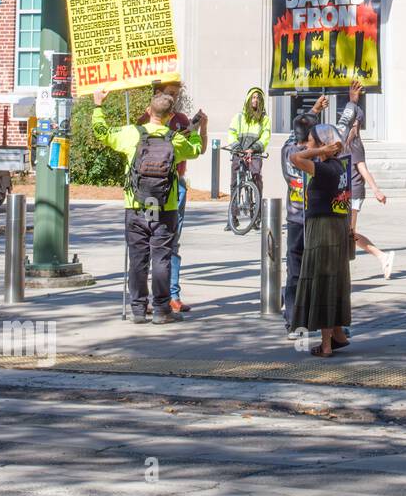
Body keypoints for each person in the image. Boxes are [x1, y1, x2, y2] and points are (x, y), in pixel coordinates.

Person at [91, 89, 205, 324]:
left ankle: (138, 310)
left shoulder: (131, 134)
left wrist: (98, 106)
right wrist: (196, 130)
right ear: (170, 115)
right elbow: (195, 151)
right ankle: (162, 310)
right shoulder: (175, 139)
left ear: (148, 111)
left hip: (135, 204)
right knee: (161, 257)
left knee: (138, 258)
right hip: (165, 205)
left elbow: (101, 132)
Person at [288, 123, 353, 357]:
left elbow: (296, 158)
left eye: (310, 140)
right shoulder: (340, 166)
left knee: (323, 280)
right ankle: (337, 334)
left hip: (323, 229)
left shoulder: (326, 168)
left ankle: (326, 345)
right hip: (336, 226)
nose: (307, 144)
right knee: (332, 280)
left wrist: (319, 151)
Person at [138, 80, 195, 314]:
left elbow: (194, 151)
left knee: (172, 242)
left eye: (177, 94)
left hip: (176, 187)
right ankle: (147, 299)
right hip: (150, 189)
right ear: (158, 94)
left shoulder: (180, 118)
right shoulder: (144, 121)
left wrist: (198, 129)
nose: (175, 98)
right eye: (171, 94)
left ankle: (172, 294)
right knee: (150, 240)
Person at [335, 79, 393, 280]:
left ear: (356, 123)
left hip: (354, 191)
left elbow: (362, 168)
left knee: (348, 233)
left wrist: (376, 189)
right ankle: (380, 257)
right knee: (348, 233)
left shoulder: (355, 144)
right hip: (345, 191)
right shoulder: (343, 141)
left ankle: (381, 256)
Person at [280, 96, 328, 337]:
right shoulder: (314, 157)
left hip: (294, 218)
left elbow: (297, 131)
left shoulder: (287, 151)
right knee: (319, 273)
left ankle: (293, 322)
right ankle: (324, 322)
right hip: (313, 220)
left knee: (294, 273)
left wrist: (313, 111)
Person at [227, 86, 271, 201]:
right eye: (253, 97)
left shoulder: (264, 119)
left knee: (256, 178)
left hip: (255, 154)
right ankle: (233, 214)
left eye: (258, 98)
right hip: (239, 152)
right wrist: (237, 148)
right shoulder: (239, 117)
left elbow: (265, 137)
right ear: (248, 99)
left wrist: (253, 149)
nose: (255, 100)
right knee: (234, 183)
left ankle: (257, 211)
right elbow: (231, 133)